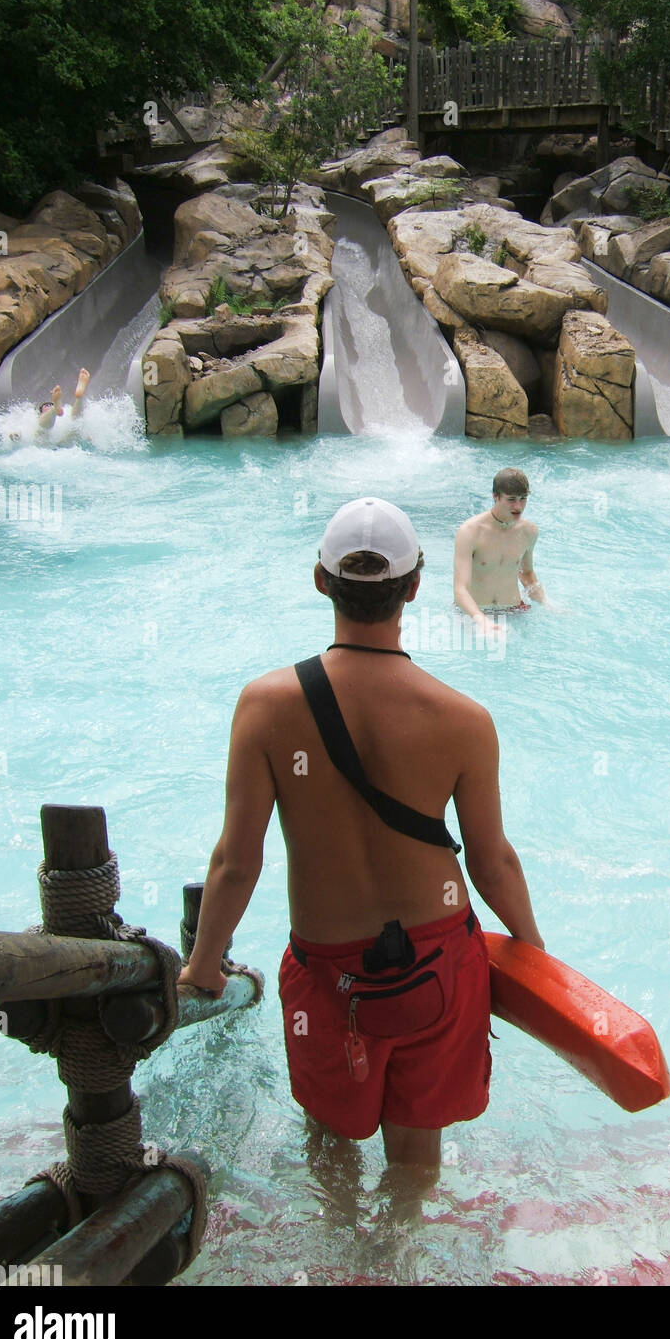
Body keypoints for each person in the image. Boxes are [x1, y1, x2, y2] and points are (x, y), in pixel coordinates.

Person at [179, 496, 543, 1183]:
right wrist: (534, 951)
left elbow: (236, 862)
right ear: (415, 585)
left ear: (321, 581)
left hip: (327, 976)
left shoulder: (265, 706)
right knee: (416, 1161)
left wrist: (202, 966)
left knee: (329, 1146)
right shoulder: (465, 719)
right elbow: (492, 864)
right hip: (440, 962)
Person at [453, 467, 546, 635]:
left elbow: (527, 573)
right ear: (495, 497)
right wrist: (480, 619)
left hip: (514, 611)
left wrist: (546, 604)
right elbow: (460, 588)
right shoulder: (470, 531)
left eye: (523, 499)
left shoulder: (529, 531)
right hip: (475, 613)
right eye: (511, 499)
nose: (518, 506)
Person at [36, 368, 90, 433]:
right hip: (64, 436)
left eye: (50, 405)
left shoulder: (61, 421)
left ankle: (78, 398)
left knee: (75, 423)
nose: (49, 406)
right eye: (46, 406)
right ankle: (79, 399)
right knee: (75, 423)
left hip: (55, 437)